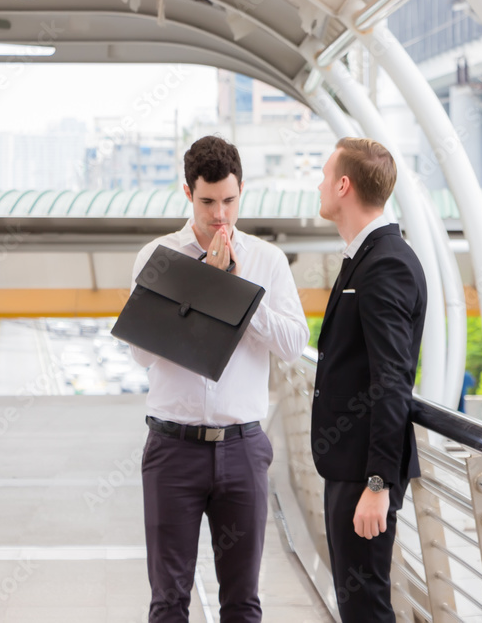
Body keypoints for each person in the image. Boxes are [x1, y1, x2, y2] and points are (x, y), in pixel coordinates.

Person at [128, 136, 309, 622]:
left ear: (241, 190)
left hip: (243, 448)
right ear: (188, 194)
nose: (220, 215)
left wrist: (236, 293)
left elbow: (293, 344)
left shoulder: (267, 261)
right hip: (173, 450)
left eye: (229, 200)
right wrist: (201, 288)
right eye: (208, 202)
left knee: (243, 604)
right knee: (168, 602)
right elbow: (140, 352)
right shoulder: (158, 257)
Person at [311, 137, 426, 622]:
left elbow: (393, 379)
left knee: (366, 608)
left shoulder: (387, 264)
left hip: (365, 474)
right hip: (350, 466)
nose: (318, 185)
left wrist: (378, 483)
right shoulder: (367, 256)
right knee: (356, 605)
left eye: (324, 175)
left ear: (343, 185)